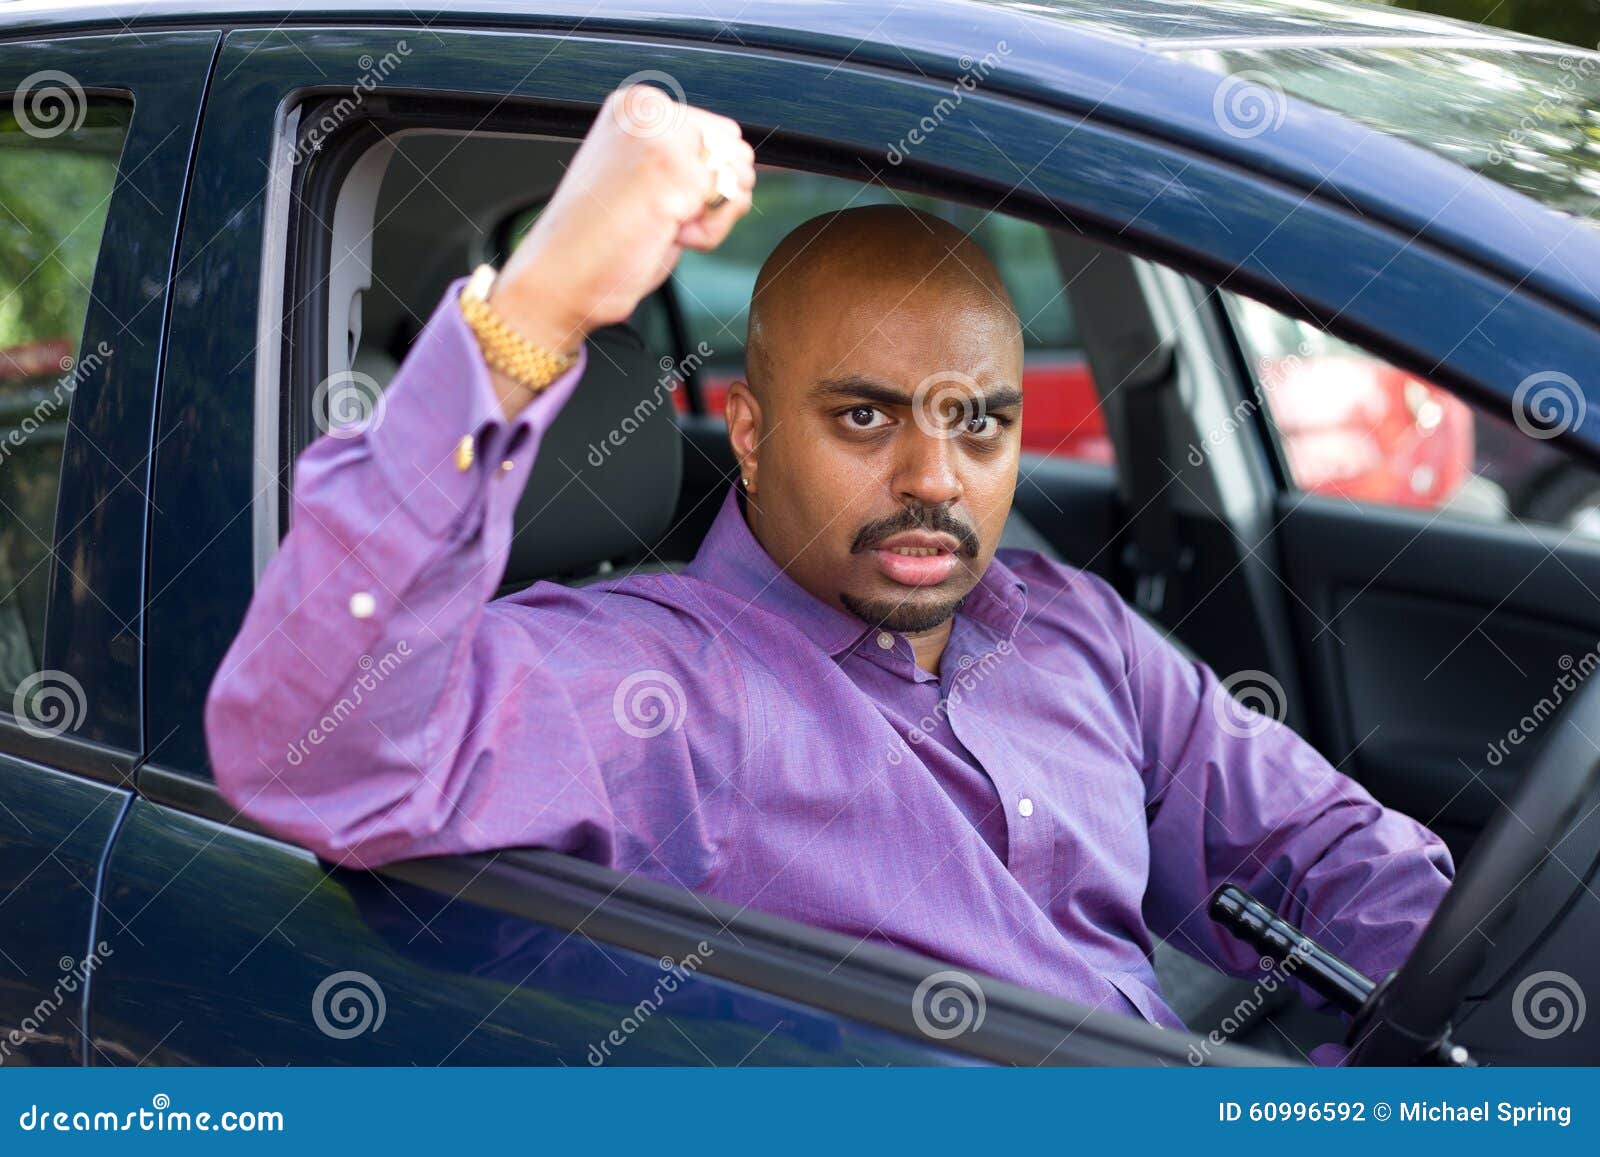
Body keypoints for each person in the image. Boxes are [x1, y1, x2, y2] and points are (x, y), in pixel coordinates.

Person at [205, 85, 1453, 1060]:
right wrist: (537, 310)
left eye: (981, 424)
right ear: (747, 429)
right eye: (866, 419)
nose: (934, 476)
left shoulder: (1069, 624)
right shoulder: (657, 686)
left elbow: (1320, 847)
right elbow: (314, 750)